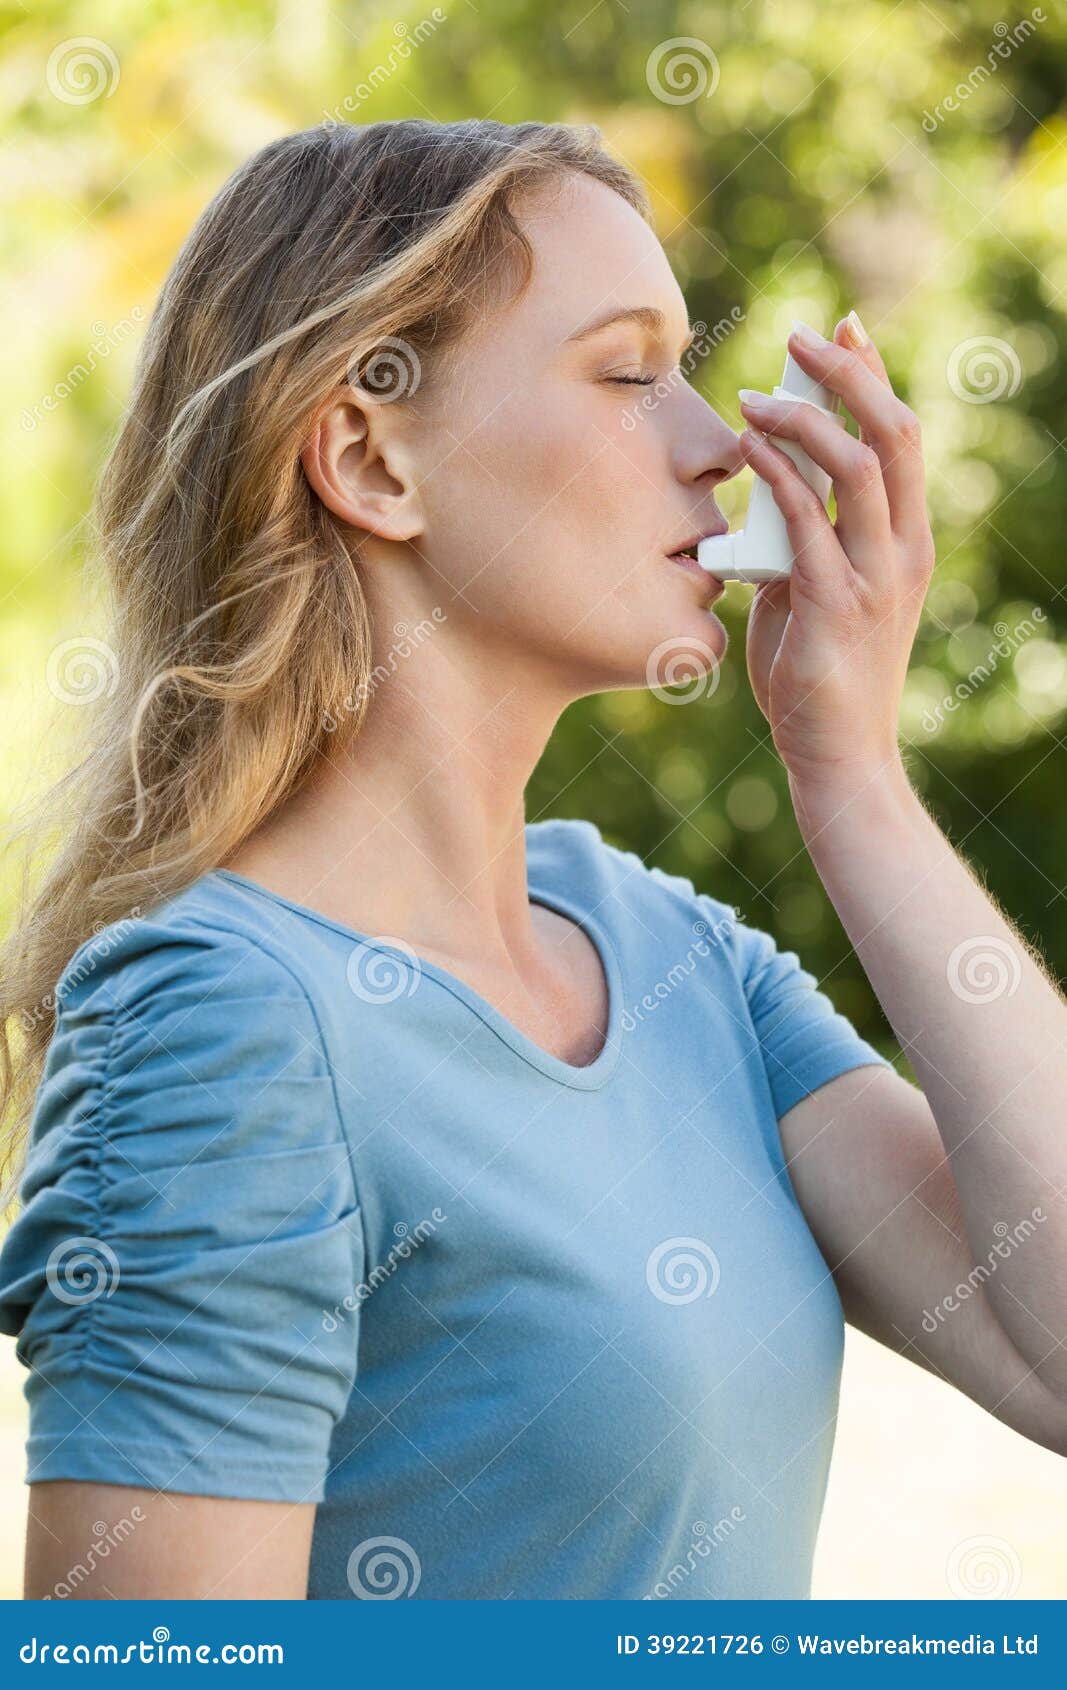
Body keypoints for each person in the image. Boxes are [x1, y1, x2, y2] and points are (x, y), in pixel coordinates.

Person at [1, 119, 1064, 1602]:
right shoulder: (220, 1022)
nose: (718, 446)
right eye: (629, 374)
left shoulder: (675, 954)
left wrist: (854, 778)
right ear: (371, 456)